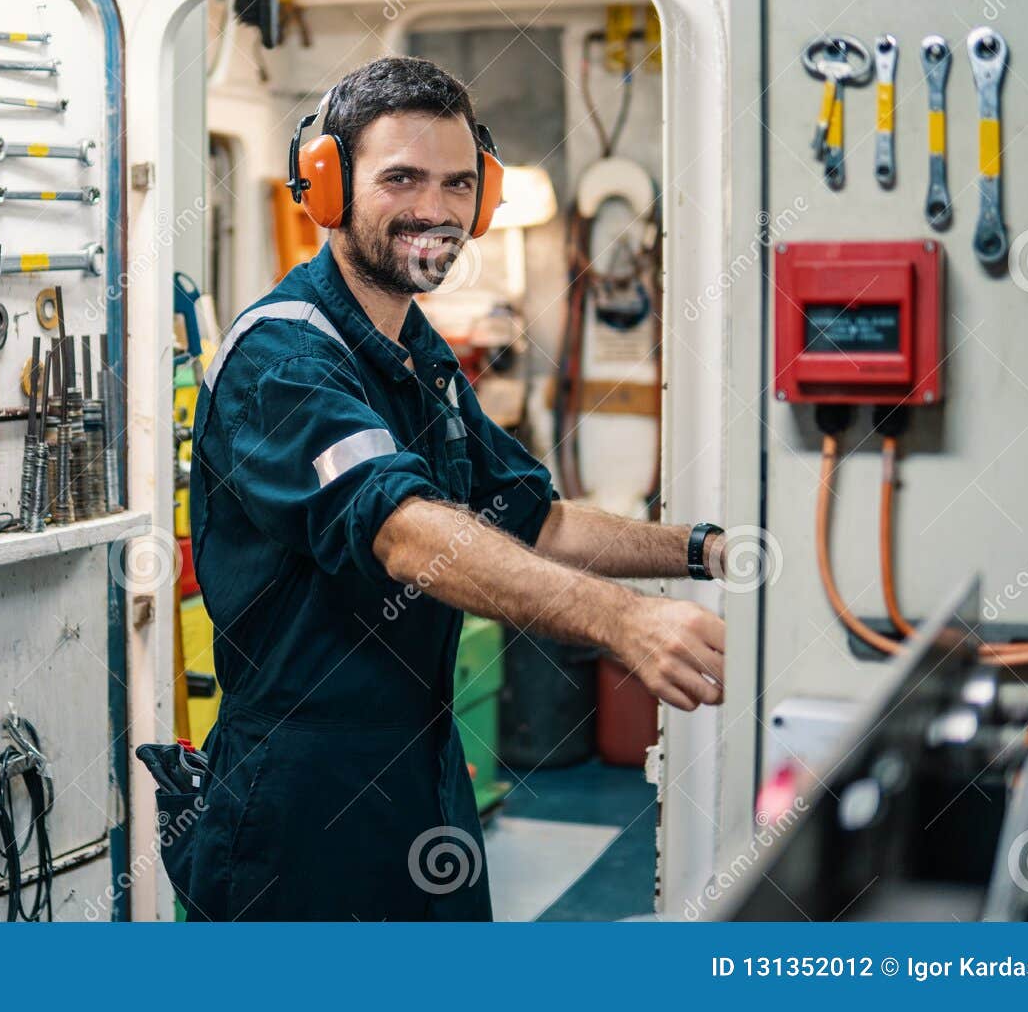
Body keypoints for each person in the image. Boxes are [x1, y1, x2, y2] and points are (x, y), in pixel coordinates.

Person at [181, 55, 726, 921]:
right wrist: (624, 619)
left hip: (422, 773)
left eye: (457, 183)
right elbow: (406, 533)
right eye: (401, 178)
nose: (434, 209)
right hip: (300, 802)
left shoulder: (418, 354)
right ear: (327, 187)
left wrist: (701, 551)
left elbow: (532, 518)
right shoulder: (283, 359)